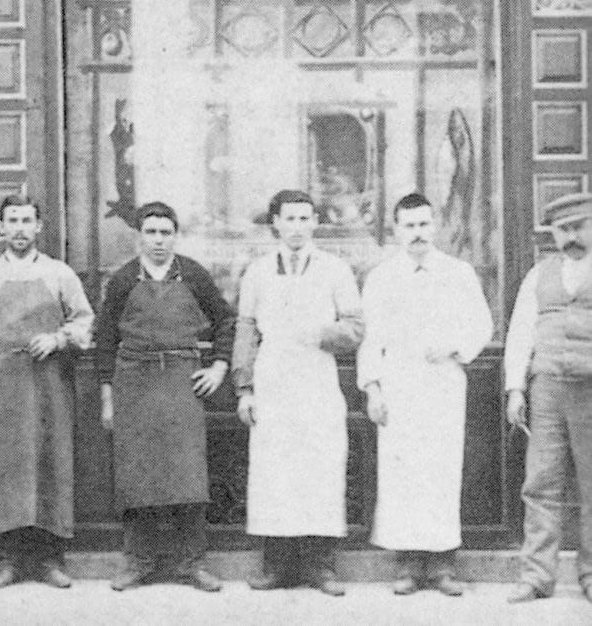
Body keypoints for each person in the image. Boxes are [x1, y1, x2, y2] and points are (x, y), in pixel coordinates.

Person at [94, 201, 233, 593]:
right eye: (150, 232)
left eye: (165, 232)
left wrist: (219, 366)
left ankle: (192, 563)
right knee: (138, 474)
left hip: (181, 381)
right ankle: (139, 562)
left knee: (187, 474)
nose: (158, 240)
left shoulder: (192, 274)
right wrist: (108, 397)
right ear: (138, 236)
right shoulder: (122, 279)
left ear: (175, 235)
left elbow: (226, 320)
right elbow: (105, 340)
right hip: (133, 381)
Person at [0, 194, 93, 590]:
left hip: (48, 382)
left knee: (50, 463)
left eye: (26, 220)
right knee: (7, 468)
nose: (19, 228)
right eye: (12, 220)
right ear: (0, 227)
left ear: (38, 227)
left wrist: (59, 337)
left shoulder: (59, 274)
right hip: (3, 383)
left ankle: (50, 558)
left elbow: (85, 321)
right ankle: (10, 559)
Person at [359, 192, 492, 596]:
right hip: (399, 386)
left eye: (423, 224)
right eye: (409, 226)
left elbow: (481, 324)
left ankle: (442, 565)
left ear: (435, 226)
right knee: (401, 474)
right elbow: (370, 339)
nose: (417, 233)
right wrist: (373, 389)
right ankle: (407, 565)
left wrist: (454, 346)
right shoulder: (381, 278)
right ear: (397, 230)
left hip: (442, 385)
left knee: (440, 472)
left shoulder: (458, 273)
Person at [233, 187, 364, 594]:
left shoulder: (334, 269)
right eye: (289, 218)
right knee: (274, 473)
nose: (297, 227)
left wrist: (322, 332)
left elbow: (357, 329)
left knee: (318, 469)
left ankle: (320, 566)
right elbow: (246, 330)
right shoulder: (257, 271)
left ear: (315, 222)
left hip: (316, 380)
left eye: (305, 218)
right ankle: (277, 565)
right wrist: (245, 388)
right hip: (273, 381)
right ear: (275, 222)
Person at [504, 190, 592, 604]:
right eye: (562, 229)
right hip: (548, 390)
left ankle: (591, 576)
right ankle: (537, 576)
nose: (570, 236)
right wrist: (515, 388)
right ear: (553, 234)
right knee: (541, 483)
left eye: (579, 226)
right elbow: (521, 332)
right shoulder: (539, 275)